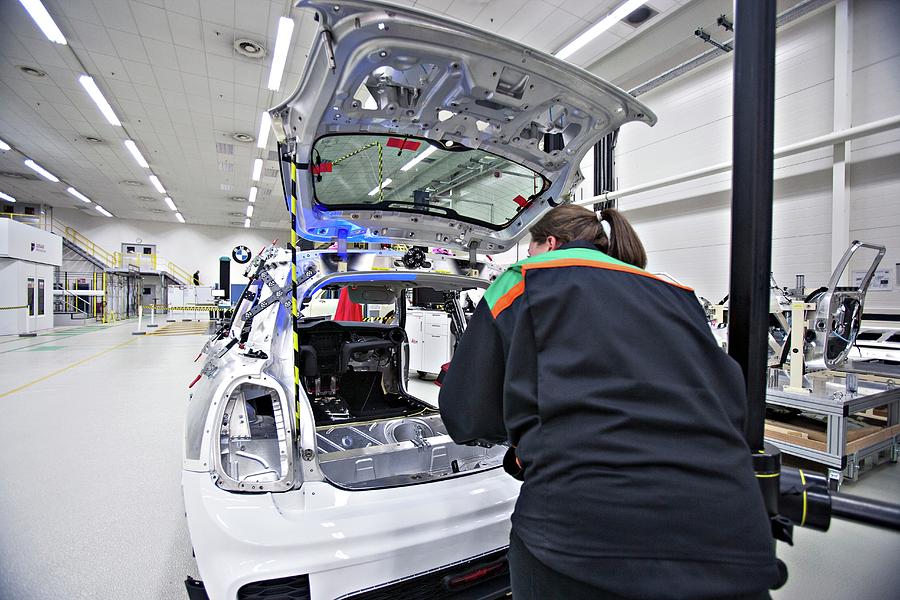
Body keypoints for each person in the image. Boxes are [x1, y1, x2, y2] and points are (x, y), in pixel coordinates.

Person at [438, 204, 780, 600]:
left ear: (549, 243)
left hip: (585, 538)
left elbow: (467, 414)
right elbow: (727, 403)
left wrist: (523, 439)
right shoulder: (676, 295)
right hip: (730, 534)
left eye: (531, 248)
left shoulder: (524, 280)